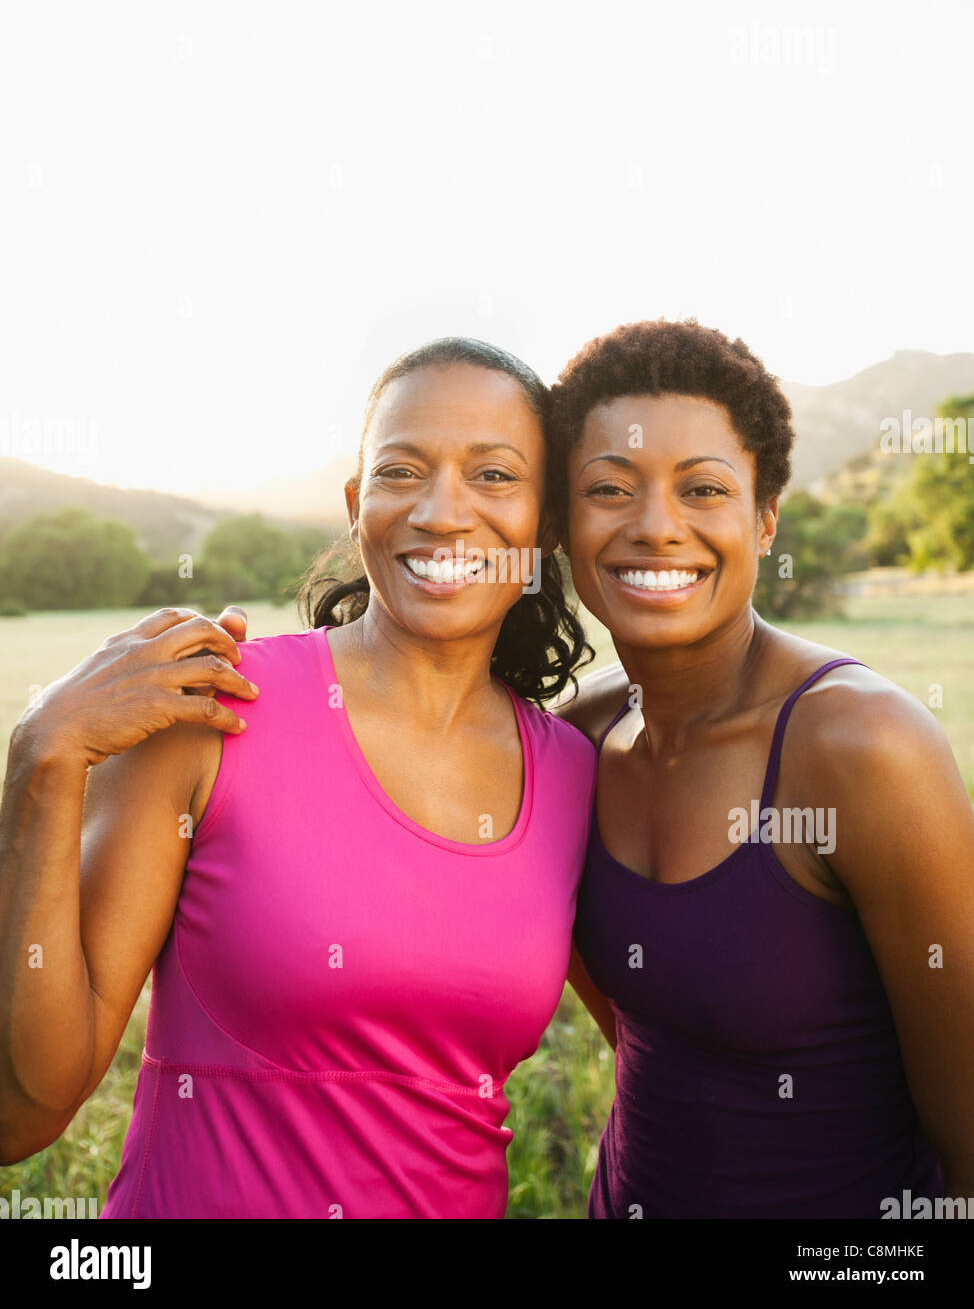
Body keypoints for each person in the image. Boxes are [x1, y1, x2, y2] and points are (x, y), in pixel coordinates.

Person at [0, 337, 596, 1219]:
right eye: (402, 471)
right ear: (359, 506)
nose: (442, 511)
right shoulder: (214, 709)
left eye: (495, 476)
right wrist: (40, 761)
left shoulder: (576, 772)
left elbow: (682, 1051)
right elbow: (27, 1109)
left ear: (545, 526)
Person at [551, 318, 974, 1219]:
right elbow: (642, 1030)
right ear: (562, 521)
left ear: (764, 519)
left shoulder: (860, 748)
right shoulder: (577, 737)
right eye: (609, 489)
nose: (657, 527)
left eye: (703, 489)